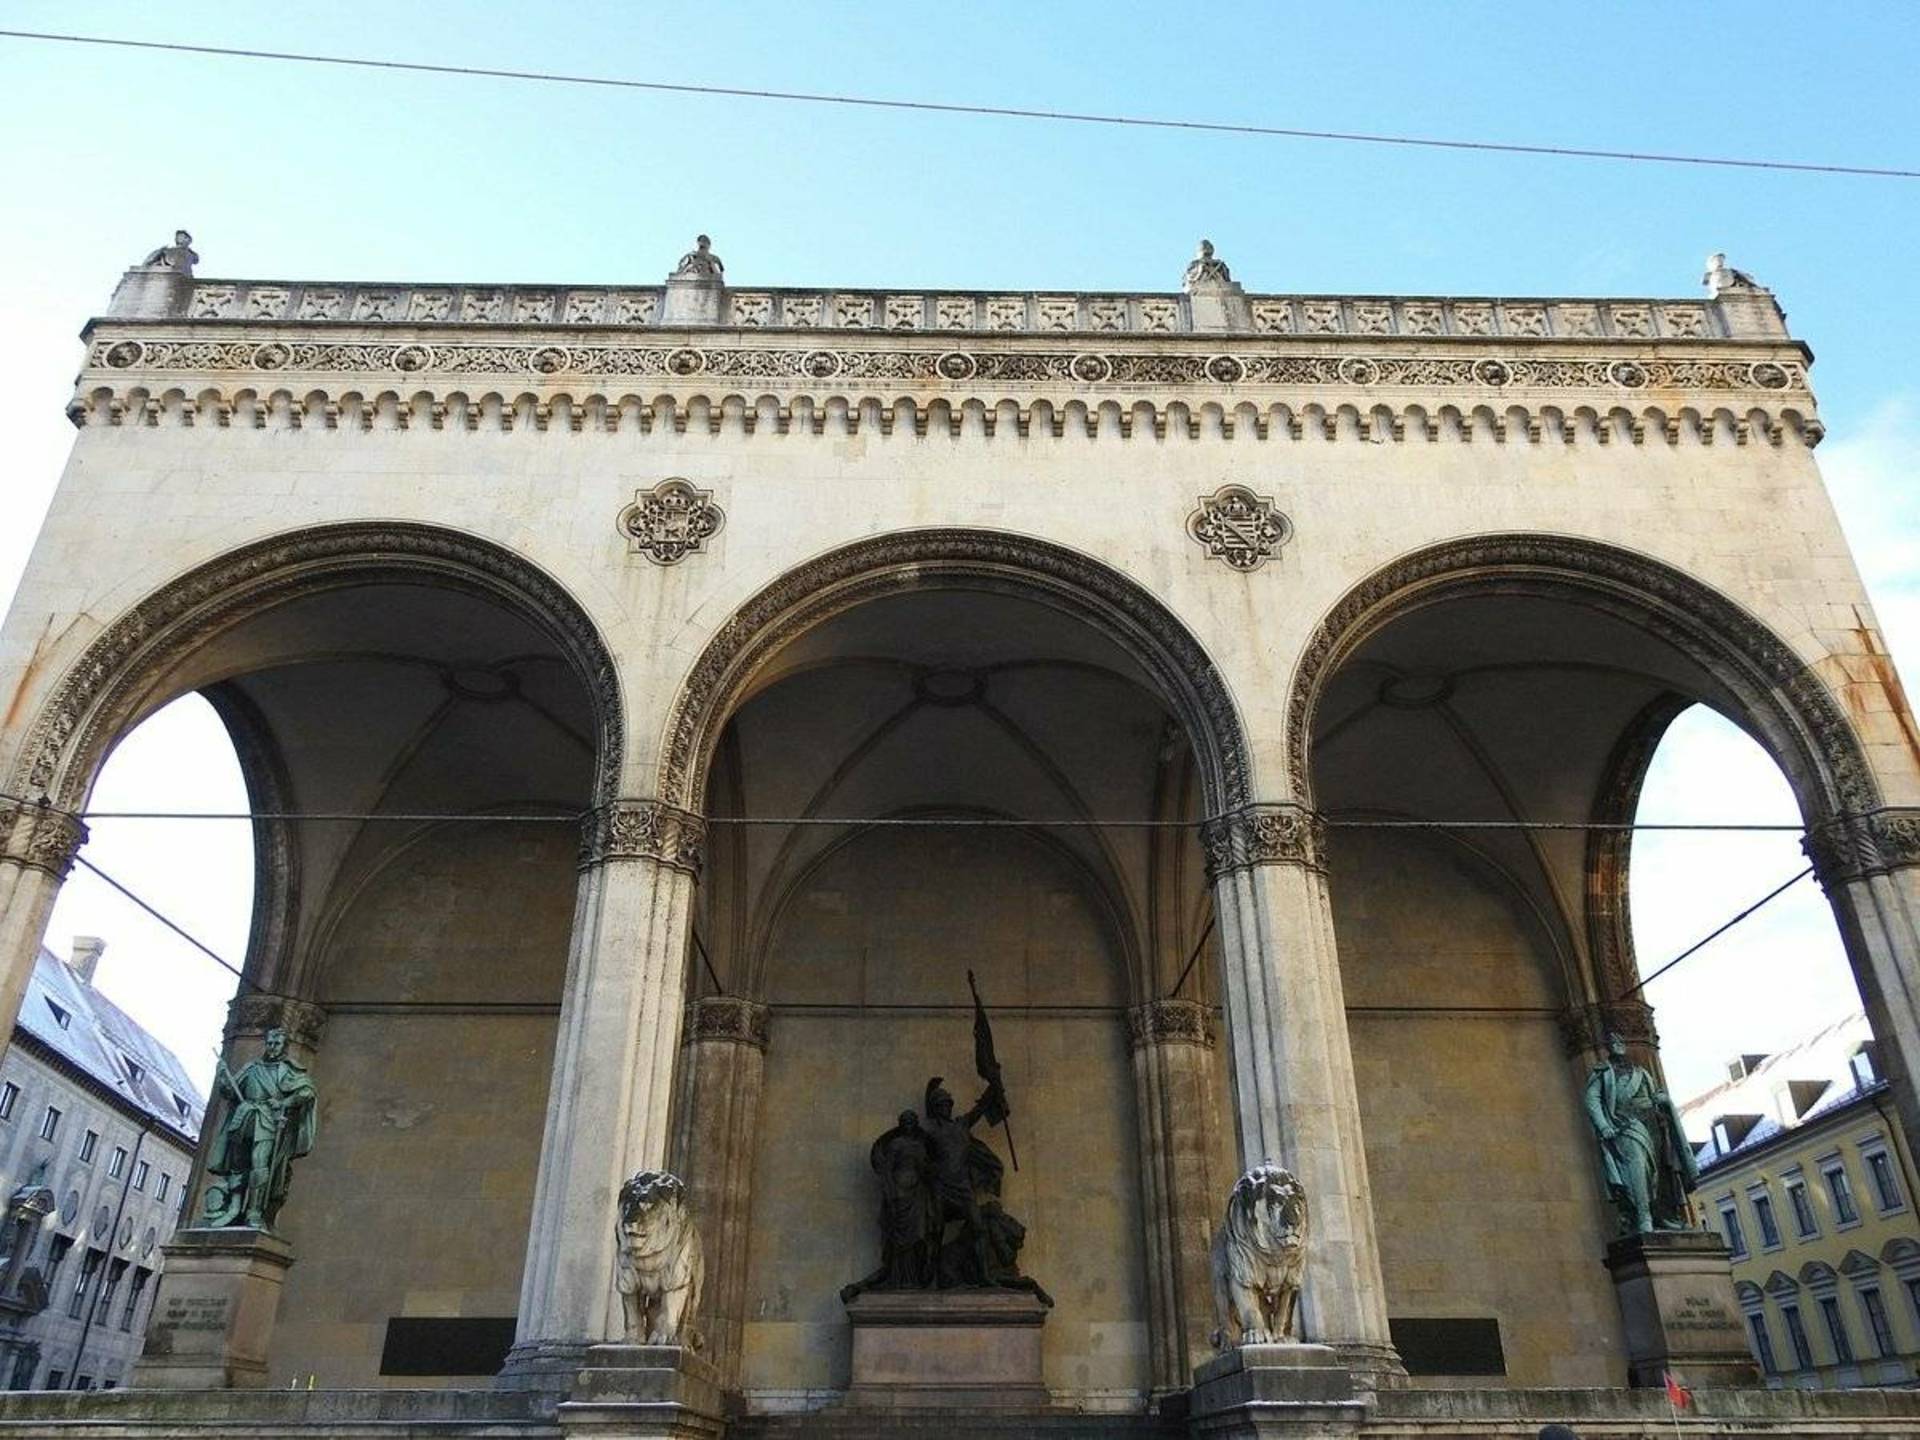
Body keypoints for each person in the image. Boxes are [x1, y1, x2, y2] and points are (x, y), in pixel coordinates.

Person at [203, 1026, 317, 1231]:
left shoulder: (290, 1069)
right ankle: (235, 1208)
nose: (272, 1047)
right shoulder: (252, 1067)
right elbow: (230, 1091)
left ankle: (254, 1211)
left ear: (284, 1046)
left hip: (267, 1120)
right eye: (270, 1043)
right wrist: (223, 1077)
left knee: (259, 1163)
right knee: (238, 1164)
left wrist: (285, 1102)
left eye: (277, 1044)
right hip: (244, 1117)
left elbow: (307, 1091)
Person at [1583, 1033, 1697, 1235]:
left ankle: (1664, 1215)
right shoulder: (1603, 1071)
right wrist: (1604, 1126)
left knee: (1662, 1171)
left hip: (1652, 1122)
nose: (1617, 1044)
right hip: (1625, 1125)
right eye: (1612, 1042)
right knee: (1637, 1168)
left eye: (1620, 1041)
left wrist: (1662, 1101)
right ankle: (1643, 1218)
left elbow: (1654, 1095)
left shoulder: (1641, 1072)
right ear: (1607, 1047)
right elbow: (1592, 1100)